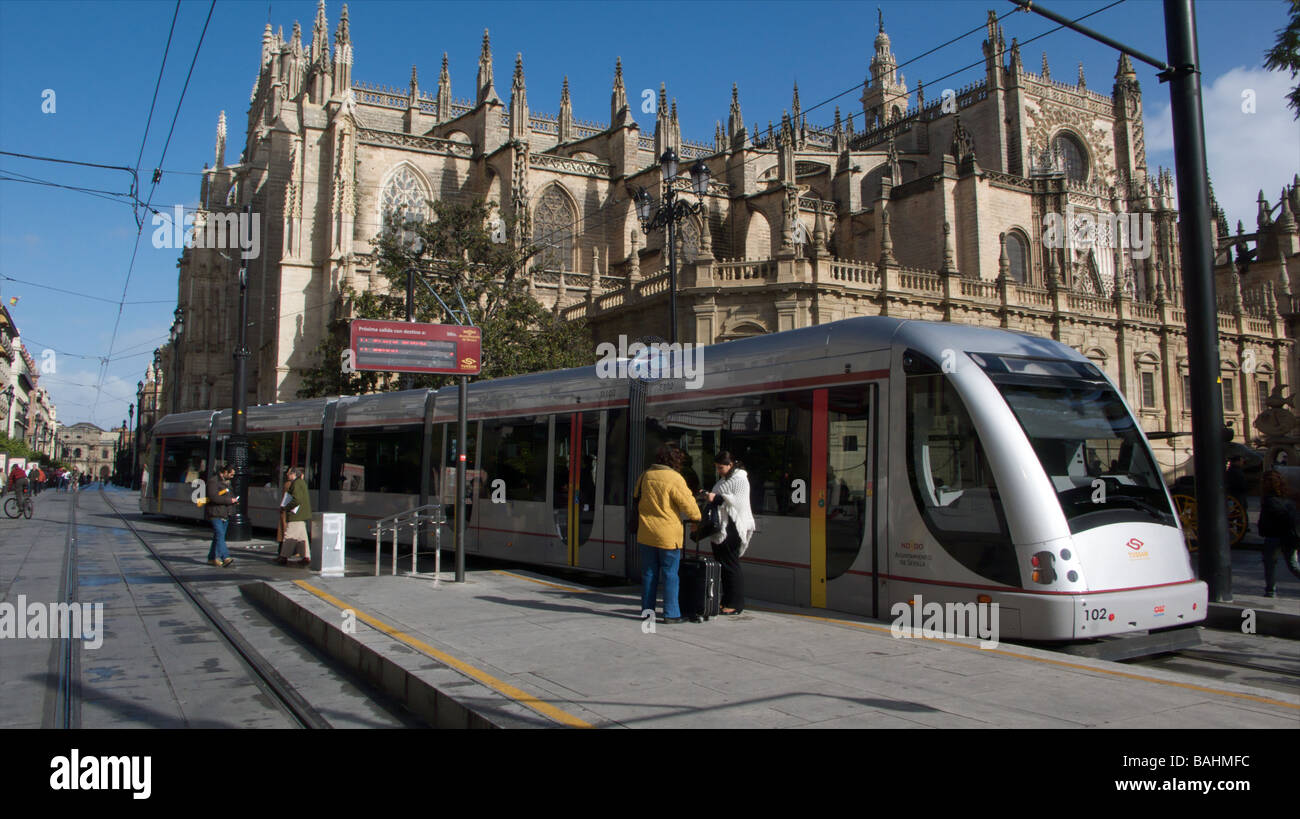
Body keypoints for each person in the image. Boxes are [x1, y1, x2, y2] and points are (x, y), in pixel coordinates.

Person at [634, 444, 701, 624]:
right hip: (667, 536)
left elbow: (636, 498)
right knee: (670, 574)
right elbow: (690, 507)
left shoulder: (645, 476)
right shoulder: (675, 479)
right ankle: (671, 613)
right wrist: (697, 518)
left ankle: (647, 612)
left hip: (646, 532)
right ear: (675, 461)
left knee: (649, 573)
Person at [704, 451, 756, 615]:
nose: (719, 470)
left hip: (734, 528)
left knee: (731, 565)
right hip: (722, 528)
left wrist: (716, 498)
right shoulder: (724, 480)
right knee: (724, 566)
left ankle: (735, 603)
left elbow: (738, 503)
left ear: (730, 464)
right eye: (717, 467)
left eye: (721, 467)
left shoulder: (740, 480)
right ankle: (726, 600)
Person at [1257, 470, 1298, 598]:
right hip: (1289, 537)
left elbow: (1267, 520)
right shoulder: (1287, 499)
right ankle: (1270, 590)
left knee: (1270, 564)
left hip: (1273, 536)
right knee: (1293, 565)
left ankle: (1270, 590)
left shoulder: (1269, 500)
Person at [204, 464, 239, 568]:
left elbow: (230, 496)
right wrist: (229, 500)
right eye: (231, 474)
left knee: (218, 536)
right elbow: (214, 497)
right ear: (225, 472)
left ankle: (211, 558)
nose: (232, 476)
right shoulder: (213, 481)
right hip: (216, 512)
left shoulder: (227, 482)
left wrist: (234, 501)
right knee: (220, 534)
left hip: (225, 513)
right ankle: (225, 557)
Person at [278, 467, 312, 566]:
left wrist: (286, 507)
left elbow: (297, 499)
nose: (287, 475)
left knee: (289, 535)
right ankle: (306, 557)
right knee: (302, 538)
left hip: (296, 514)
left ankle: (283, 556)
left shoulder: (296, 483)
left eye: (288, 473)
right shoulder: (302, 483)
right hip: (301, 514)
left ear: (293, 474)